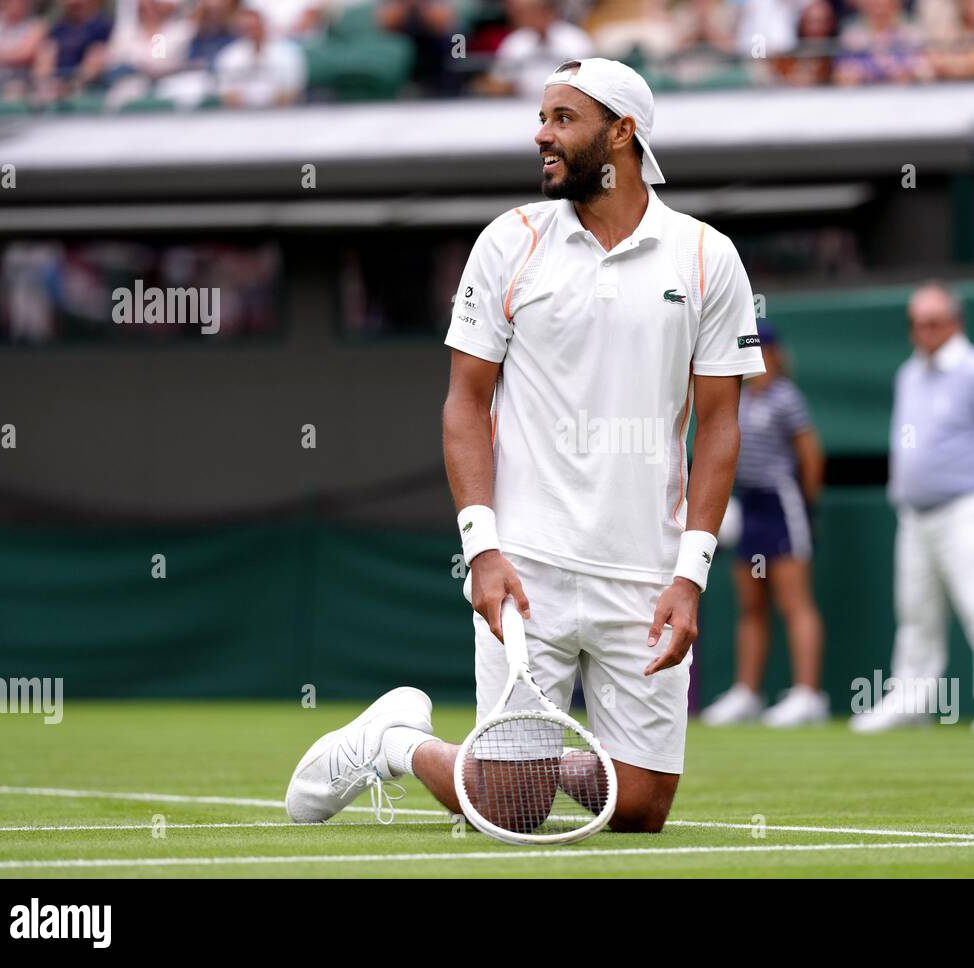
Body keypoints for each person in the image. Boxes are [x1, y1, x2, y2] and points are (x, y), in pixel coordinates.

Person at [286, 58, 766, 832]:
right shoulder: (508, 243)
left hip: (645, 573)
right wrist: (482, 548)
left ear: (623, 131)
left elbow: (719, 425)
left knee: (640, 809)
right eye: (542, 117)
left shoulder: (708, 258)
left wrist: (691, 575)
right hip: (527, 567)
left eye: (563, 118)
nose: (541, 134)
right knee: (513, 808)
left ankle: (414, 745)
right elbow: (465, 403)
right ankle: (396, 745)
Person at [850, 282, 974, 736]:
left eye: (934, 323)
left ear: (955, 324)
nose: (924, 331)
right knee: (915, 614)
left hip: (970, 507)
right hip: (915, 514)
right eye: (917, 324)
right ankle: (912, 701)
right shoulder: (908, 374)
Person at [701, 322, 829, 727]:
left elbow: (810, 456)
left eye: (759, 348)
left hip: (783, 504)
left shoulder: (786, 397)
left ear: (773, 352)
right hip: (749, 506)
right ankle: (747, 693)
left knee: (794, 603)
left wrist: (805, 509)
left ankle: (809, 695)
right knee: (751, 605)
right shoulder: (736, 398)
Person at [478, 0, 593, 99]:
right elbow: (500, 80)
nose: (536, 17)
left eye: (540, 11)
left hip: (568, 104)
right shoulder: (515, 42)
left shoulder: (576, 39)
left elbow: (589, 80)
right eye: (530, 12)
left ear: (551, 11)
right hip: (520, 107)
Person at [213, 6, 305, 108]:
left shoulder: (287, 53)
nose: (252, 32)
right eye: (247, 29)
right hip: (240, 117)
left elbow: (293, 91)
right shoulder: (229, 56)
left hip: (280, 114)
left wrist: (265, 102)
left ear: (263, 25)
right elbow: (226, 94)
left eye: (255, 27)